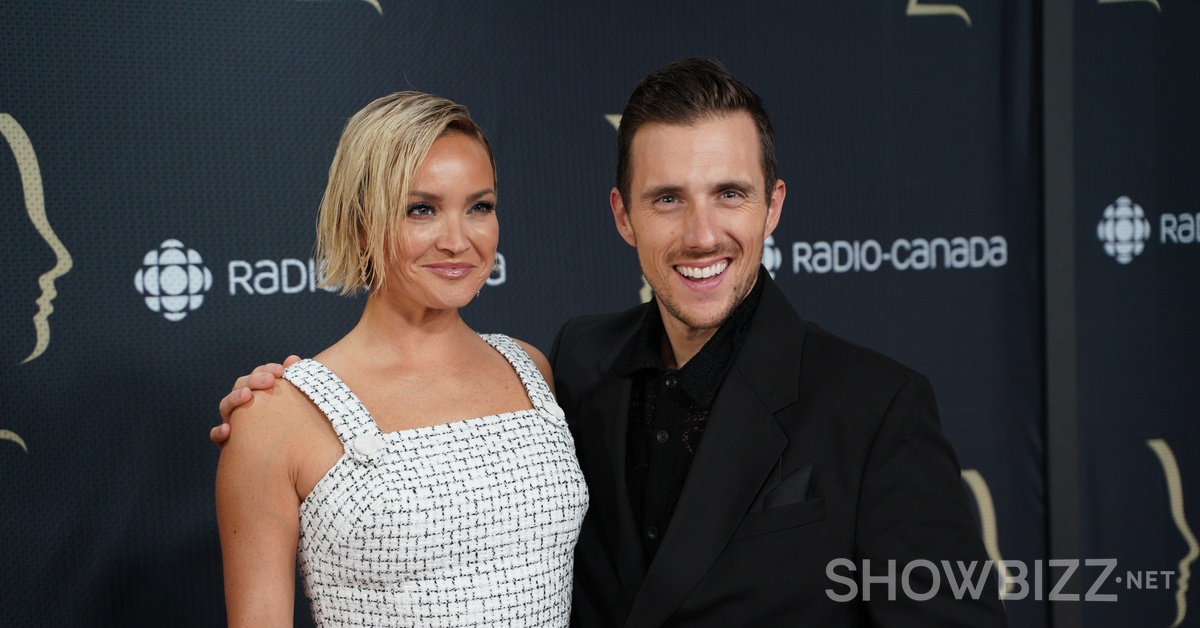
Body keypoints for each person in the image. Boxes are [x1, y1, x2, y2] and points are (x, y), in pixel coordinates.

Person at [216, 60, 1007, 626]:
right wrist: (282, 409)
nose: (702, 234)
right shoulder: (574, 365)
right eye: (667, 199)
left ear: (772, 207)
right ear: (623, 217)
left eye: (729, 194)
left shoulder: (875, 408)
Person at [214, 91, 587, 627]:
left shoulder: (530, 369)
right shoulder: (276, 415)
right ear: (362, 224)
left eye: (479, 207)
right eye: (421, 210)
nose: (457, 240)